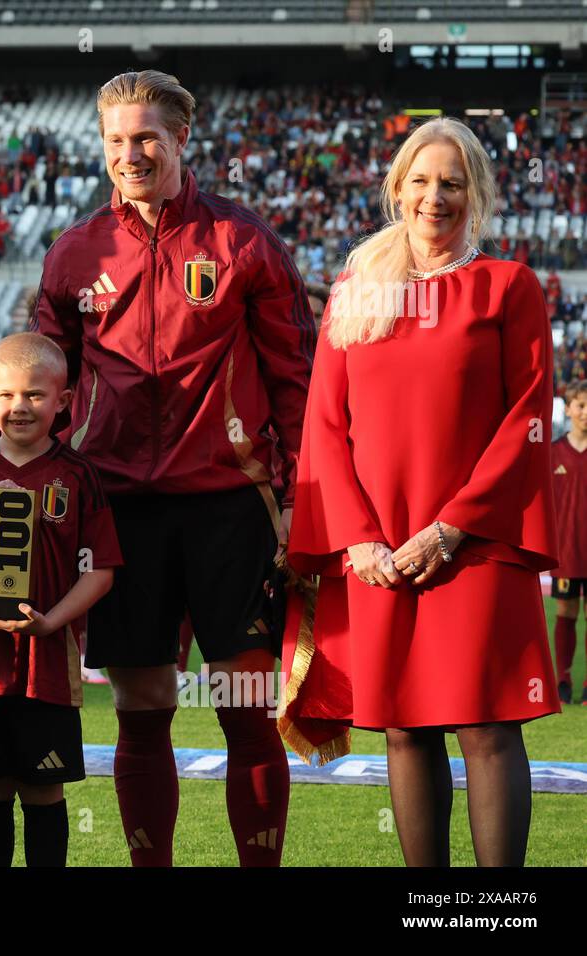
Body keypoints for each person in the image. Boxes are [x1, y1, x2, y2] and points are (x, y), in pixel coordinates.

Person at [0, 70, 311, 867]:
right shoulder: (75, 253)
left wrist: (305, 495)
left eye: (146, 138)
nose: (130, 154)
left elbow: (295, 380)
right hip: (119, 510)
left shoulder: (245, 243)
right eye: (116, 141)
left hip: (231, 506)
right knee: (142, 710)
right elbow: (46, 386)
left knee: (246, 710)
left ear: (181, 140)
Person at [283, 117, 560, 867]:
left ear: (478, 194)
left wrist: (453, 528)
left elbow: (527, 418)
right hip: (376, 551)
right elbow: (324, 426)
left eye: (452, 183)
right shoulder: (356, 289)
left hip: (473, 544)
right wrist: (357, 538)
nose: (434, 197)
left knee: (487, 726)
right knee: (405, 728)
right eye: (420, 181)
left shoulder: (510, 287)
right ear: (397, 189)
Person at [0, 333, 121, 867]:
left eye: (35, 396)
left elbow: (102, 570)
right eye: (6, 396)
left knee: (44, 792)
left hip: (45, 666)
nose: (19, 407)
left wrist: (53, 623)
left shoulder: (78, 474)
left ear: (64, 401)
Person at [550, 380, 587, 705]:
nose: (586, 413)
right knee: (566, 612)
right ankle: (562, 680)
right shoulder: (552, 453)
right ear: (568, 409)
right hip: (566, 551)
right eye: (581, 406)